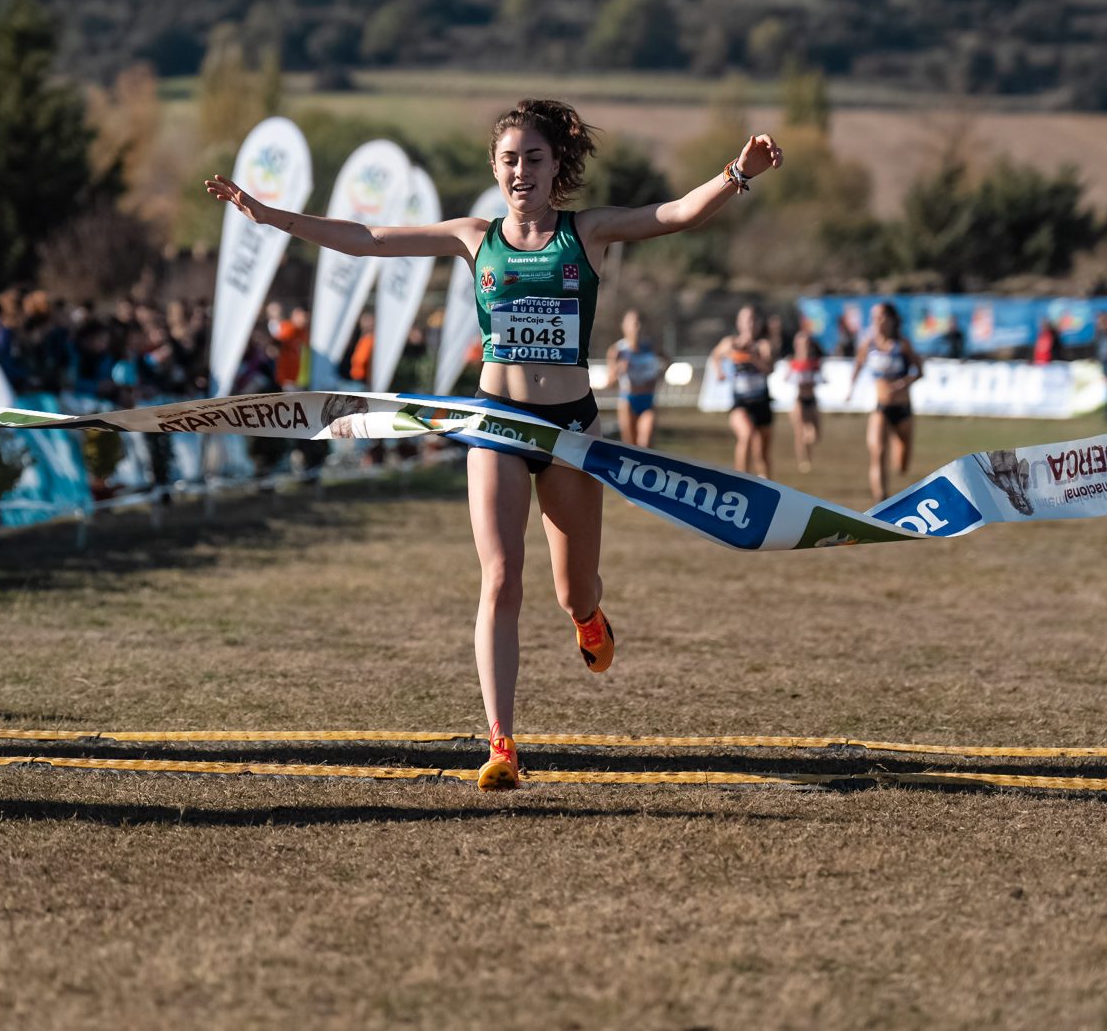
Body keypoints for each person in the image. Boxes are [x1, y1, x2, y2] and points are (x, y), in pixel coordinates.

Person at [208, 98, 782, 792]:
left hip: (569, 426)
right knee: (502, 576)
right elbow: (367, 235)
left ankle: (588, 616)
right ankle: (502, 743)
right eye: (509, 159)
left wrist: (737, 174)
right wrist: (273, 218)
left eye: (533, 158)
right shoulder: (474, 236)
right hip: (496, 422)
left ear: (554, 166)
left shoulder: (587, 232)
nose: (520, 171)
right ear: (494, 166)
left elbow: (676, 212)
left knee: (574, 589)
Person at [853, 301, 922, 504]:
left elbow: (919, 371)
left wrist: (901, 384)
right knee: (877, 451)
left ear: (892, 319)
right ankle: (881, 497)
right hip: (881, 407)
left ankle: (900, 453)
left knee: (902, 461)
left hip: (902, 407)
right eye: (874, 317)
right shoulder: (869, 344)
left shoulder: (903, 344)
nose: (877, 320)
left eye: (881, 316)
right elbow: (858, 363)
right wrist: (851, 387)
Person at [710, 305, 777, 478]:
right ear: (739, 323)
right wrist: (719, 371)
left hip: (761, 402)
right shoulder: (729, 343)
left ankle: (767, 486)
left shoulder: (762, 346)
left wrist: (753, 358)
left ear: (759, 324)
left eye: (754, 320)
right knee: (746, 435)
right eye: (747, 319)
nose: (750, 324)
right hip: (740, 402)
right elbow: (715, 355)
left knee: (762, 454)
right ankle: (742, 481)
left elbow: (770, 369)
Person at [604, 310, 665, 449]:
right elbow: (610, 382)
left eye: (639, 323)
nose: (636, 327)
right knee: (631, 448)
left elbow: (667, 360)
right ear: (624, 326)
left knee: (646, 443)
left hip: (647, 399)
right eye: (633, 323)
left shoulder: (651, 347)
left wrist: (659, 375)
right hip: (627, 401)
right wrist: (619, 368)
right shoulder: (617, 350)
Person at [785, 319, 823, 471]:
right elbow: (786, 378)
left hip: (812, 400)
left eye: (807, 343)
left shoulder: (815, 363)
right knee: (800, 432)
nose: (805, 346)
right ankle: (804, 461)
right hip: (799, 400)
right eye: (802, 343)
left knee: (815, 435)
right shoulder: (793, 362)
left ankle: (808, 456)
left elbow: (822, 378)